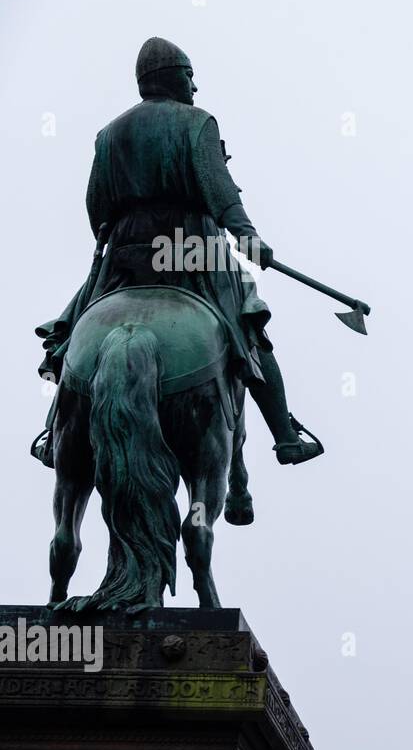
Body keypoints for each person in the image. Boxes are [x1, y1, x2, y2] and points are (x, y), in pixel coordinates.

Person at [32, 36, 322, 469]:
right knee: (249, 330)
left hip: (125, 256)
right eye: (190, 76)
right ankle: (286, 436)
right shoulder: (197, 122)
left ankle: (57, 431)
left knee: (74, 332)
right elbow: (220, 191)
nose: (195, 87)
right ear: (172, 77)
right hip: (193, 251)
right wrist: (247, 238)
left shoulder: (108, 134)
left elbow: (96, 208)